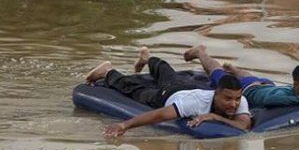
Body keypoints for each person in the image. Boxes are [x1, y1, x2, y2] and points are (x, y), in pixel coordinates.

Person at [85, 47, 251, 137]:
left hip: (187, 86)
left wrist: (214, 117)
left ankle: (147, 58)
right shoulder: (195, 103)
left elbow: (243, 126)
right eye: (228, 99)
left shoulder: (240, 100)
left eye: (236, 99)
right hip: (170, 94)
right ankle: (108, 71)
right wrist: (124, 125)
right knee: (137, 91)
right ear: (216, 93)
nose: (233, 104)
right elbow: (159, 115)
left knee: (167, 72)